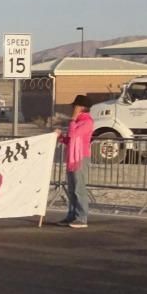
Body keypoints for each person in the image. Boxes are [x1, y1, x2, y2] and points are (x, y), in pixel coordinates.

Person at [57, 95, 93, 228]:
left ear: (82, 108)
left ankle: (81, 217)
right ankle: (71, 215)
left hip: (80, 157)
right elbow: (70, 140)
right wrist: (61, 137)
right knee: (72, 188)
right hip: (72, 158)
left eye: (76, 106)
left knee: (79, 187)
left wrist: (72, 119)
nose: (73, 109)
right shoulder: (77, 122)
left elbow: (74, 135)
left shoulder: (87, 122)